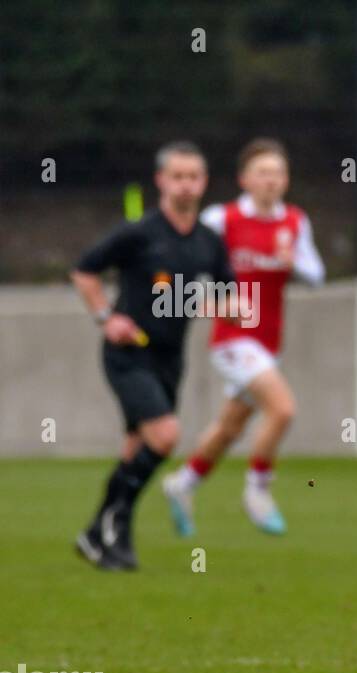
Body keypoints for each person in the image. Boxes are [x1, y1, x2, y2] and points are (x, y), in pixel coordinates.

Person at [70, 141, 238, 571]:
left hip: (170, 359)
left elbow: (228, 295)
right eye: (177, 177)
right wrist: (107, 317)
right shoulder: (139, 233)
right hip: (127, 354)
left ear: (204, 182)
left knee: (135, 448)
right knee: (165, 436)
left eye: (193, 177)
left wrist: (225, 305)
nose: (186, 185)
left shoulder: (209, 242)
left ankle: (98, 534)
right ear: (161, 180)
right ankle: (116, 522)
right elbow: (84, 270)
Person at [162, 138, 325, 536]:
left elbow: (316, 275)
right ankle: (258, 492)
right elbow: (188, 259)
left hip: (270, 343)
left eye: (278, 173)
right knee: (283, 409)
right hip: (233, 339)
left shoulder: (294, 222)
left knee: (229, 427)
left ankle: (183, 484)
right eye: (263, 172)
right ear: (244, 179)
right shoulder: (223, 219)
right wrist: (208, 298)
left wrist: (295, 262)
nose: (271, 180)